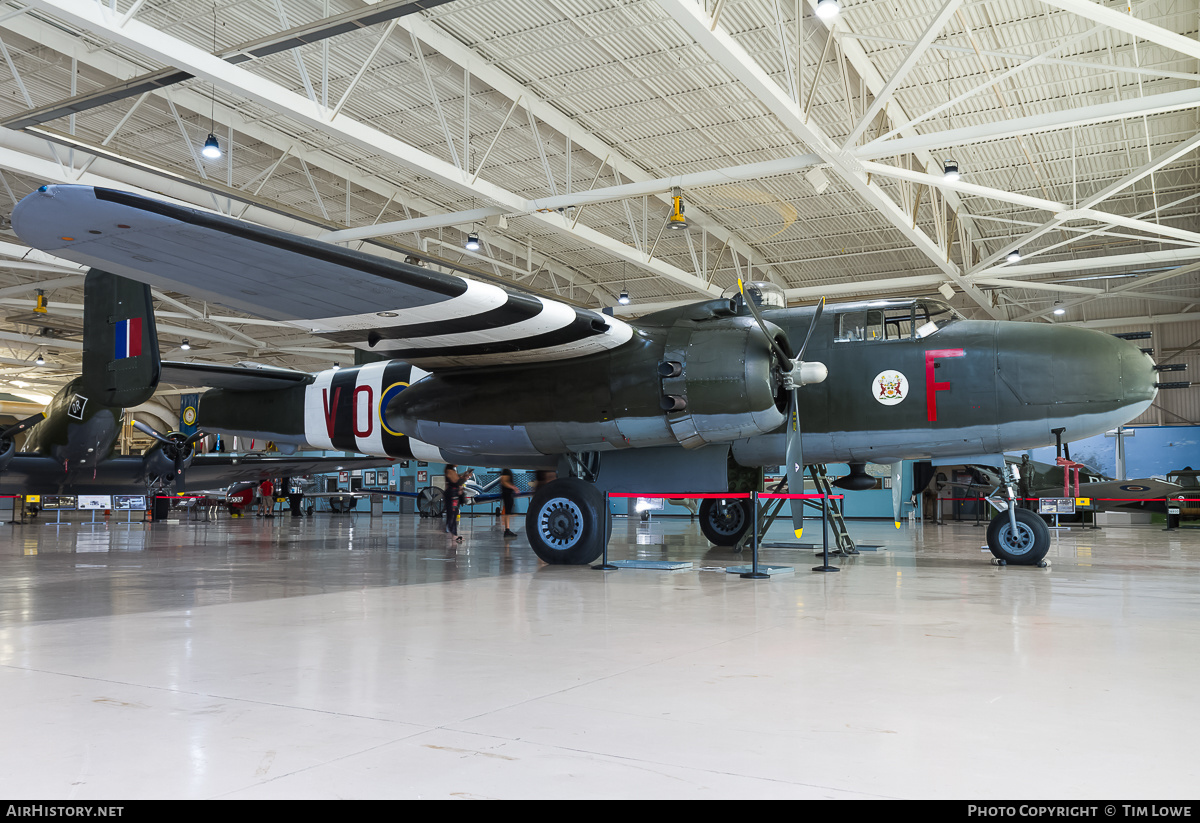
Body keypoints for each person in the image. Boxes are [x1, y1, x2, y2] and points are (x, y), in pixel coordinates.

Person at [443, 464, 472, 541]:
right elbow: (456, 481)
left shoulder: (452, 471)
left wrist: (465, 476)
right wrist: (465, 477)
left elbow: (457, 480)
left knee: (454, 514)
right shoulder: (450, 471)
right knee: (452, 514)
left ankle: (454, 534)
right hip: (452, 495)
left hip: (453, 495)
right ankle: (453, 534)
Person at [499, 468, 519, 537]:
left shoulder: (507, 470)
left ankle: (507, 530)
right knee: (507, 512)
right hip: (507, 494)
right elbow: (503, 481)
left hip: (508, 494)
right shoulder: (506, 470)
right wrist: (513, 487)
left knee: (508, 513)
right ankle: (507, 530)